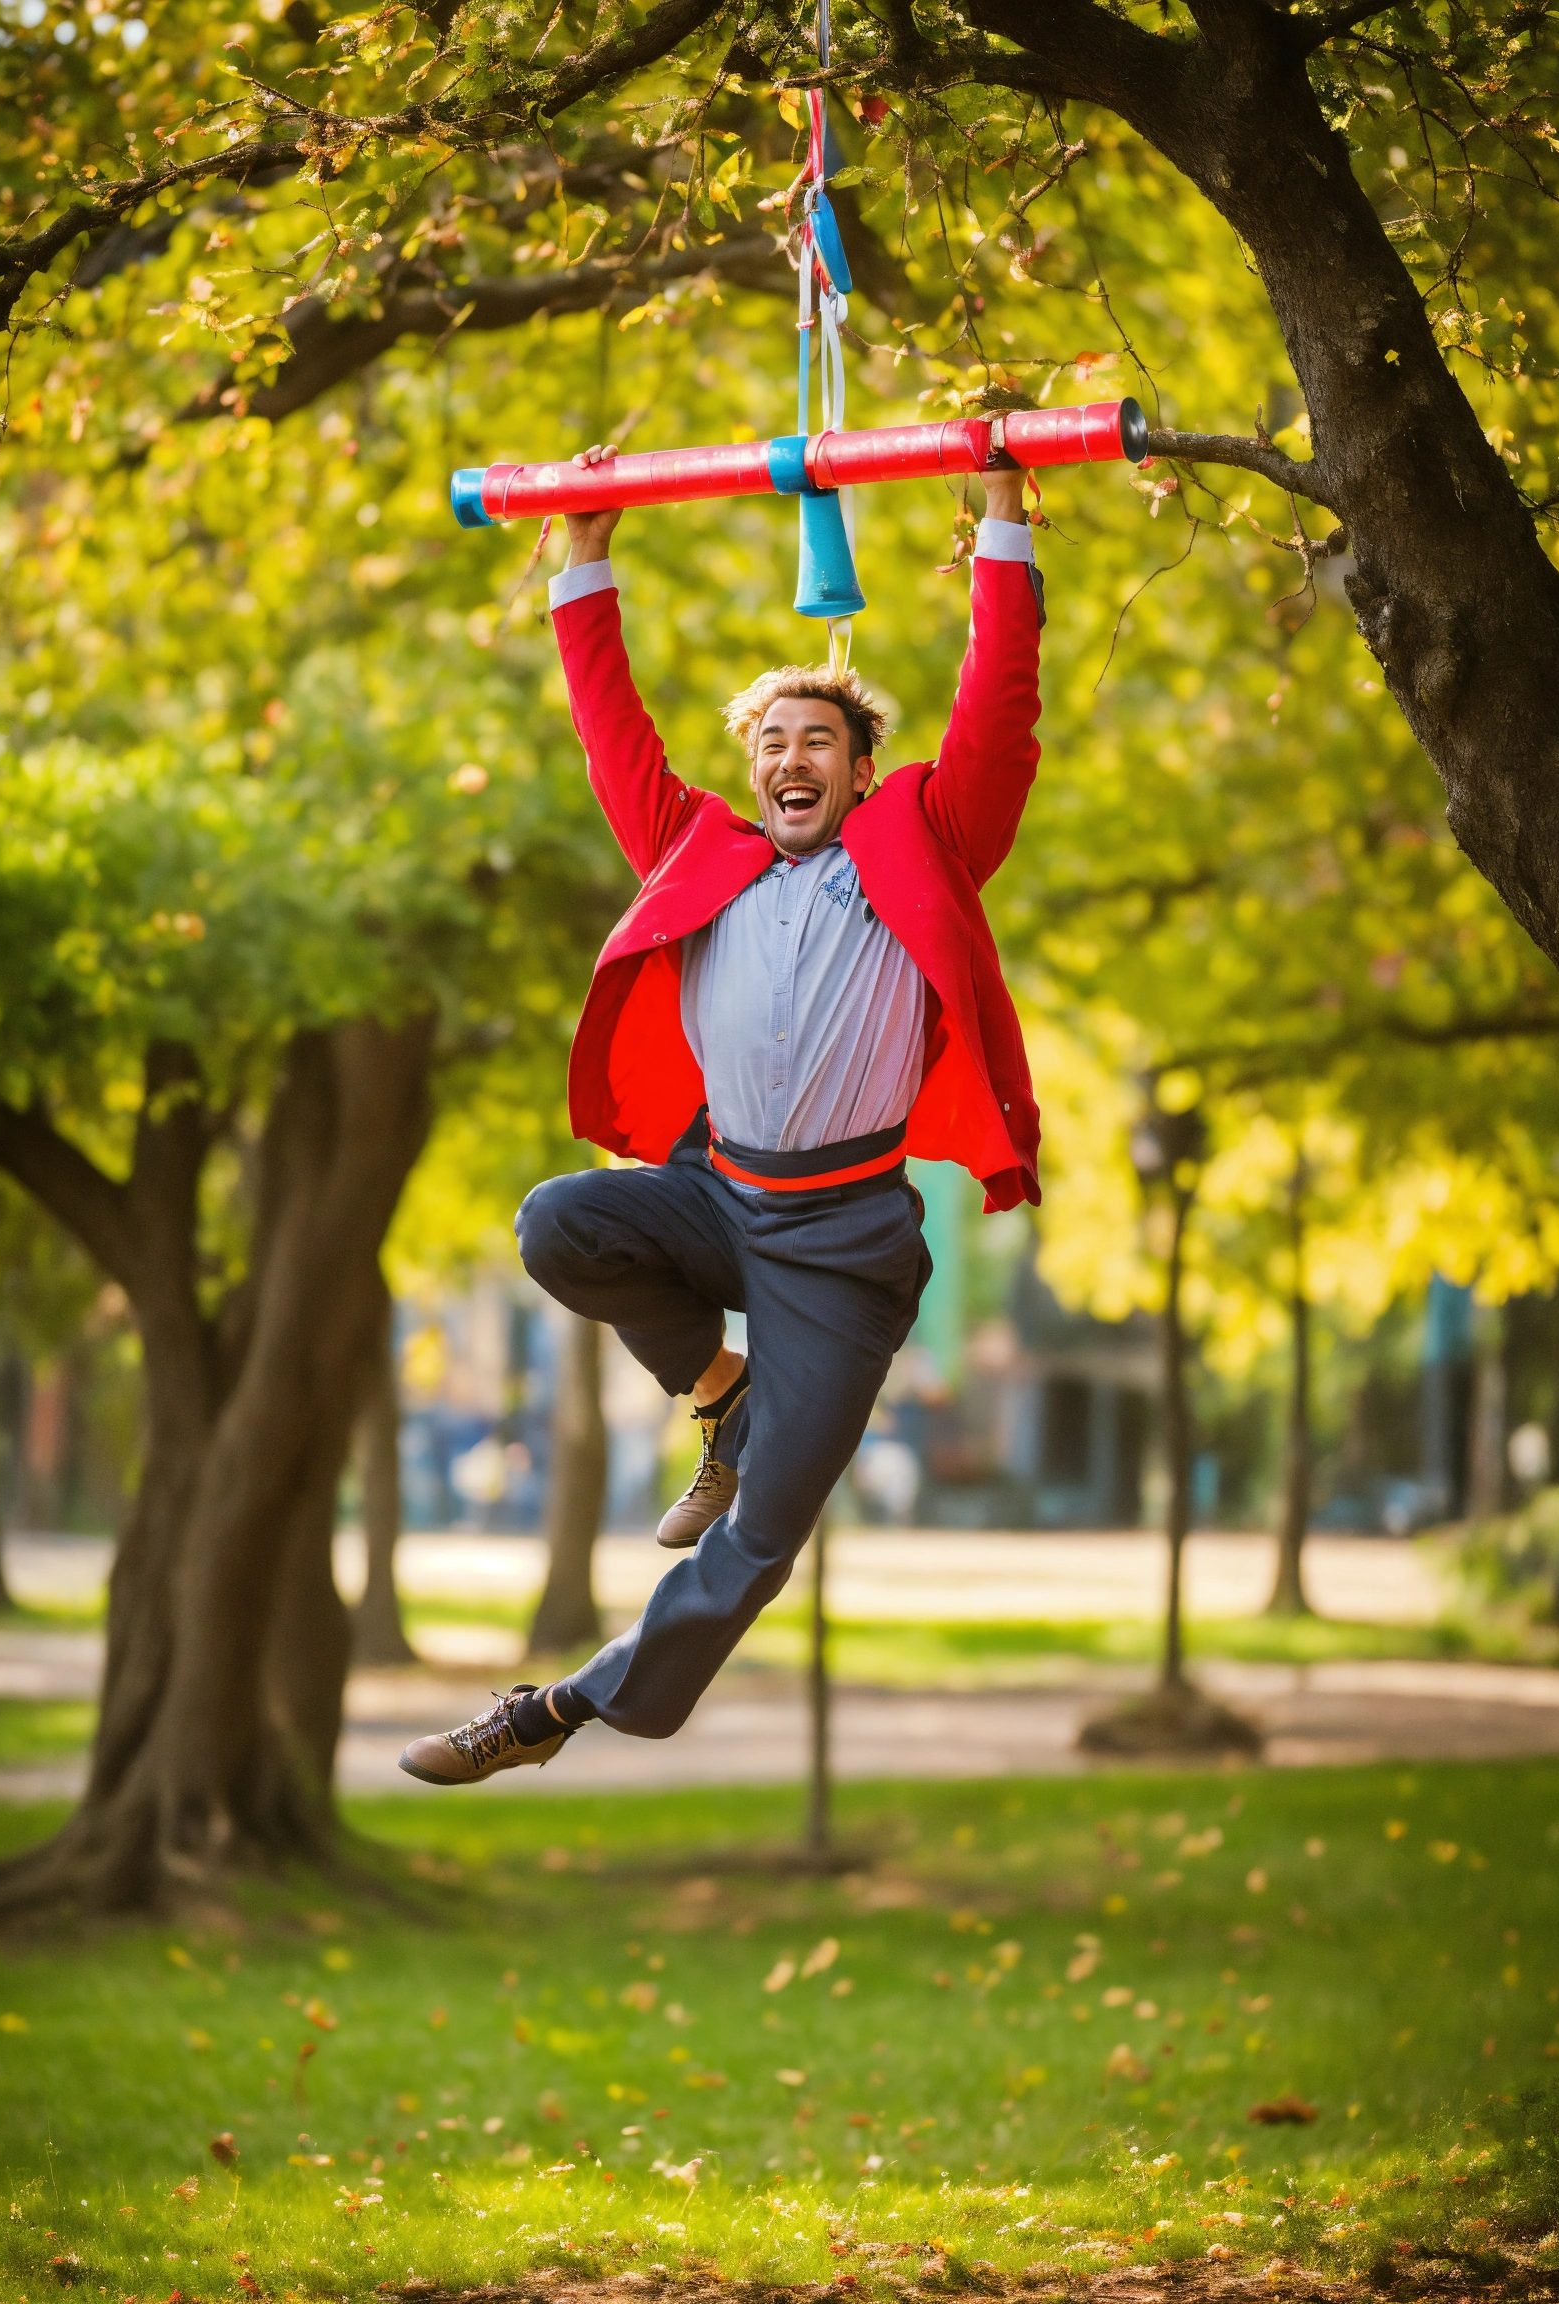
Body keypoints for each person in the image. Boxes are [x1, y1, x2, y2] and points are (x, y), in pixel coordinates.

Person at [399, 447, 1045, 1785]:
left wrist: (1000, 521)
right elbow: (611, 728)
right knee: (561, 1223)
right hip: (717, 1192)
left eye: (817, 740)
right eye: (770, 743)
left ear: (863, 770)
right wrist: (586, 549)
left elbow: (995, 719)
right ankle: (718, 1394)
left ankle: (555, 1712)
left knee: (760, 1542)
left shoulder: (922, 841)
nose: (788, 758)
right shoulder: (699, 851)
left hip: (847, 1243)